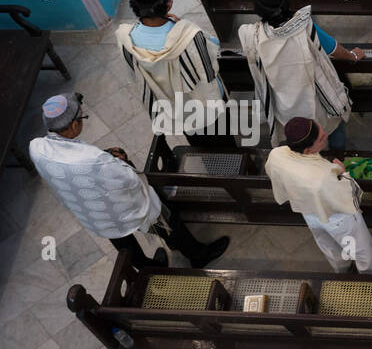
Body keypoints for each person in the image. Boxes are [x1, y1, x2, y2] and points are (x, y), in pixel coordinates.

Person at [28, 93, 229, 268]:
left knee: (125, 245)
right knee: (165, 217)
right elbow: (128, 180)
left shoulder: (36, 148)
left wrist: (107, 156)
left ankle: (150, 269)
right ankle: (198, 255)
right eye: (82, 118)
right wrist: (117, 161)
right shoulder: (94, 160)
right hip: (123, 208)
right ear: (73, 125)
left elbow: (74, 165)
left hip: (93, 214)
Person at [238, 0, 362, 148]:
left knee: (300, 139)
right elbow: (333, 49)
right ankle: (337, 154)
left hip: (285, 106)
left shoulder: (251, 36)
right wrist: (352, 56)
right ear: (286, 2)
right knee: (334, 127)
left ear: (258, 8)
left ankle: (308, 159)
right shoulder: (305, 28)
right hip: (316, 99)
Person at [116, 0, 233, 145]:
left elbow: (134, 75)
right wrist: (179, 25)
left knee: (195, 138)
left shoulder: (125, 38)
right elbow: (211, 59)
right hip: (205, 103)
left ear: (135, 9)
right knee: (223, 137)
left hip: (173, 106)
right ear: (168, 4)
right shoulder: (189, 35)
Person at [263, 116, 372, 274]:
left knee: (328, 246)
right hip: (337, 218)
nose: (326, 134)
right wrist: (342, 172)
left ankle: (342, 269)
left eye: (320, 128)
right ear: (307, 150)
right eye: (321, 137)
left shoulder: (276, 154)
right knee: (360, 250)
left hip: (308, 212)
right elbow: (349, 197)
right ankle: (371, 275)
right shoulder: (322, 177)